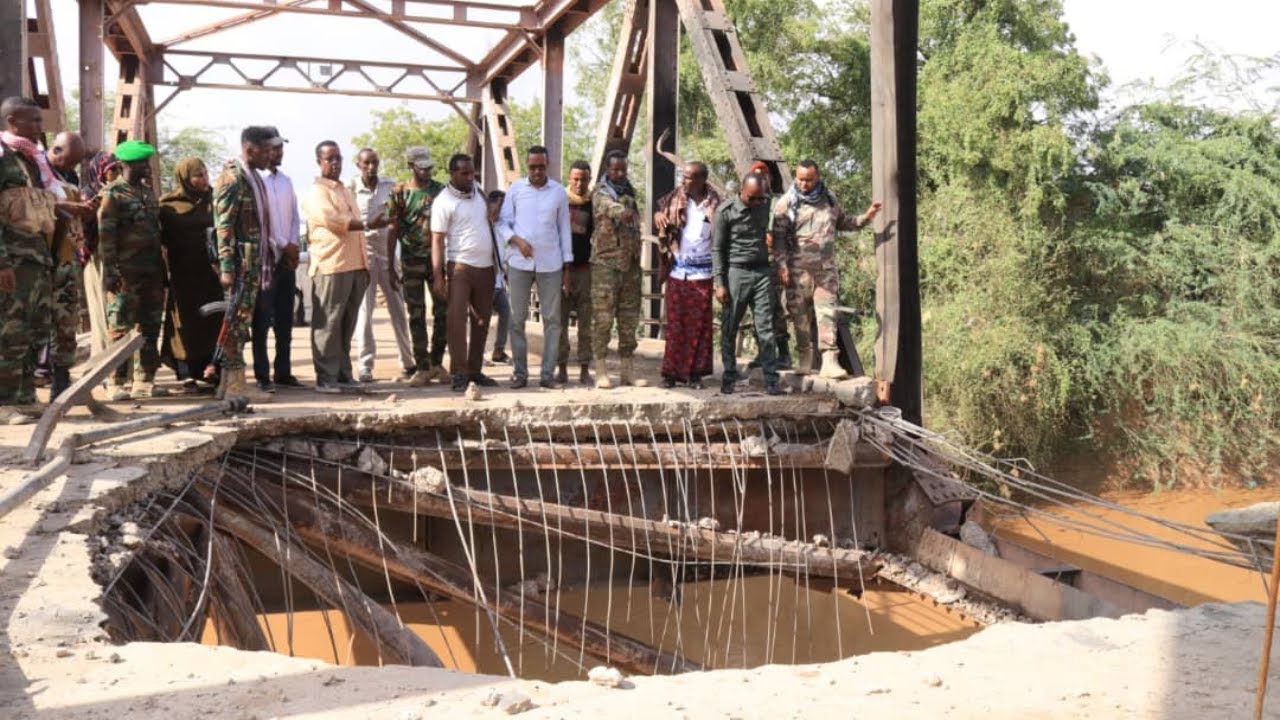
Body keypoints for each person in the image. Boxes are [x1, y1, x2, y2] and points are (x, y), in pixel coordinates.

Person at [772, 160, 881, 377]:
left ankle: (830, 361)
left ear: (818, 177)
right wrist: (781, 266)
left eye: (809, 180)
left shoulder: (829, 199)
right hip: (797, 272)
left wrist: (866, 217)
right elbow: (778, 239)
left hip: (825, 271)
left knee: (827, 313)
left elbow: (844, 222)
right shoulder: (786, 204)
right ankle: (805, 358)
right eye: (800, 179)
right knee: (800, 317)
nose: (803, 184)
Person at [0, 97, 60, 424]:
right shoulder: (3, 159)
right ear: (13, 122)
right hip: (13, 258)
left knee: (34, 329)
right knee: (9, 331)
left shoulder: (30, 161)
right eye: (33, 120)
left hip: (35, 258)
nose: (40, 126)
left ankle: (24, 395)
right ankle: (4, 401)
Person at [302, 140, 376, 393]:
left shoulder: (344, 190)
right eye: (329, 159)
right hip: (332, 265)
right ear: (319, 162)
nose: (335, 163)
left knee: (346, 324)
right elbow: (336, 222)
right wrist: (371, 224)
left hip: (355, 265)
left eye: (338, 158)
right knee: (328, 324)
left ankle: (343, 374)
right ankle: (326, 377)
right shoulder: (317, 192)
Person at [496, 145, 572, 390]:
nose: (537, 171)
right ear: (527, 166)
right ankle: (520, 373)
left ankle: (547, 375)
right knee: (517, 318)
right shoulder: (516, 190)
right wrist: (517, 241)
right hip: (519, 262)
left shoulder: (558, 192)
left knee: (552, 320)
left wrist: (567, 266)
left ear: (547, 165)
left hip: (551, 263)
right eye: (532, 167)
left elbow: (564, 229)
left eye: (541, 166)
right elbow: (502, 222)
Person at [99, 139, 168, 400]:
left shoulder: (148, 192)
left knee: (150, 325)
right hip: (125, 272)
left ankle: (144, 380)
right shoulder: (113, 194)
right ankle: (116, 381)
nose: (147, 167)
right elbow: (106, 236)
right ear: (125, 164)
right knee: (120, 327)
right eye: (141, 162)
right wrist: (111, 272)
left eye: (147, 161)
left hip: (151, 270)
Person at [212, 125, 276, 402]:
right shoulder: (233, 179)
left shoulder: (253, 177)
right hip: (239, 265)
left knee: (240, 323)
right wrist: (227, 267)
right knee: (236, 325)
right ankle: (236, 387)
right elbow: (223, 226)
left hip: (251, 263)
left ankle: (228, 384)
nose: (270, 155)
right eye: (266, 150)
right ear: (250, 149)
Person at [430, 153, 498, 392]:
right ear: (452, 174)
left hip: (486, 267)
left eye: (472, 172)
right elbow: (437, 240)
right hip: (460, 266)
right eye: (465, 173)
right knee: (456, 320)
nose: (470, 177)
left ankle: (474, 370)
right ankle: (459, 372)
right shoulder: (443, 201)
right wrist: (438, 276)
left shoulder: (478, 191)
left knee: (481, 320)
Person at [384, 146, 449, 387]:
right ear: (411, 167)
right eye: (422, 168)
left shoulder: (441, 191)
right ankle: (422, 366)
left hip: (436, 261)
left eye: (429, 168)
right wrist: (390, 266)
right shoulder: (400, 193)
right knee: (416, 315)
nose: (427, 172)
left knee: (443, 311)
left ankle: (437, 362)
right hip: (410, 261)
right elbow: (392, 229)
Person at [654, 161, 721, 389]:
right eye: (683, 176)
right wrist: (657, 215)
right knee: (675, 325)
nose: (684, 180)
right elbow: (660, 214)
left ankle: (695, 374)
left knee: (699, 326)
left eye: (689, 177)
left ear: (702, 180)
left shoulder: (715, 205)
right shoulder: (674, 199)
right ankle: (670, 374)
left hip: (702, 274)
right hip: (677, 272)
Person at [158, 158, 222, 392]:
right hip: (183, 273)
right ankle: (185, 373)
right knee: (183, 323)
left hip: (211, 274)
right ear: (185, 178)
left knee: (212, 321)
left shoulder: (215, 201)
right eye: (198, 175)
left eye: (205, 174)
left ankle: (211, 370)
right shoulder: (168, 206)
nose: (204, 180)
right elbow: (159, 239)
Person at [350, 147, 413, 384]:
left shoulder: (390, 186)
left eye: (374, 162)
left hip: (388, 254)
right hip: (364, 256)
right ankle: (365, 366)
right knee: (364, 313)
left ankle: (407, 361)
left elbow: (400, 216)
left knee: (398, 309)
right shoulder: (351, 189)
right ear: (358, 165)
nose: (371, 167)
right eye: (366, 163)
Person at [714, 172, 781, 396]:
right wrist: (719, 283)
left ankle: (771, 380)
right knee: (730, 326)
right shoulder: (725, 212)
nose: (757, 202)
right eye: (752, 198)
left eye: (761, 198)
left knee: (765, 327)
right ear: (741, 191)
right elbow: (717, 250)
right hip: (736, 273)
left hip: (762, 272)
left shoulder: (765, 202)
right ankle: (729, 376)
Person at [589, 150, 647, 389]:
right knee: (603, 320)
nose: (620, 173)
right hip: (606, 266)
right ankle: (600, 371)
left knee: (629, 320)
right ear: (607, 169)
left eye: (623, 169)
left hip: (630, 266)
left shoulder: (629, 191)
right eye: (615, 169)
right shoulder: (600, 192)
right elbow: (607, 207)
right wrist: (622, 212)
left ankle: (627, 371)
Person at [253, 127, 302, 391]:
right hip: (267, 259)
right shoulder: (256, 180)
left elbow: (294, 216)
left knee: (285, 319)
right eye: (275, 148)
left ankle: (283, 371)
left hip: (286, 259)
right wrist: (284, 244)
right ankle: (262, 375)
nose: (279, 152)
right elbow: (264, 222)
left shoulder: (286, 181)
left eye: (281, 147)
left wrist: (293, 244)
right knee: (262, 320)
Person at [45, 131, 93, 398]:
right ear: (56, 151)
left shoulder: (70, 176)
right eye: (70, 160)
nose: (72, 167)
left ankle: (61, 381)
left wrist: (83, 209)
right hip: (42, 256)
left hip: (66, 255)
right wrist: (68, 208)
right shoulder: (39, 172)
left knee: (66, 319)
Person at [745, 159, 791, 372]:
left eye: (764, 175)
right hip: (752, 260)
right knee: (756, 308)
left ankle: (783, 353)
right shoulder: (746, 201)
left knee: (773, 307)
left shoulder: (778, 203)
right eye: (756, 175)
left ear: (771, 178)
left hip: (772, 260)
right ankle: (763, 351)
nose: (761, 178)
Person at [80, 151, 122, 358]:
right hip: (97, 256)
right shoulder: (89, 194)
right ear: (100, 172)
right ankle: (102, 359)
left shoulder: (120, 191)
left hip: (117, 255)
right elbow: (83, 225)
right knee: (101, 308)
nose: (117, 174)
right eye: (112, 170)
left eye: (119, 169)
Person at [557, 159, 593, 386]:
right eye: (576, 179)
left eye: (584, 180)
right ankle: (561, 368)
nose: (580, 184)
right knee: (559, 322)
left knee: (585, 322)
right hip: (560, 269)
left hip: (585, 270)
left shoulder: (593, 204)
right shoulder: (559, 201)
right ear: (569, 179)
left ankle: (584, 368)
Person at [486, 189, 511, 364]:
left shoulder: (503, 226)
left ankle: (498, 351)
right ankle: (476, 354)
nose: (501, 210)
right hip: (486, 281)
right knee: (482, 319)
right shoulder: (482, 225)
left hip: (500, 281)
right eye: (500, 205)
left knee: (506, 313)